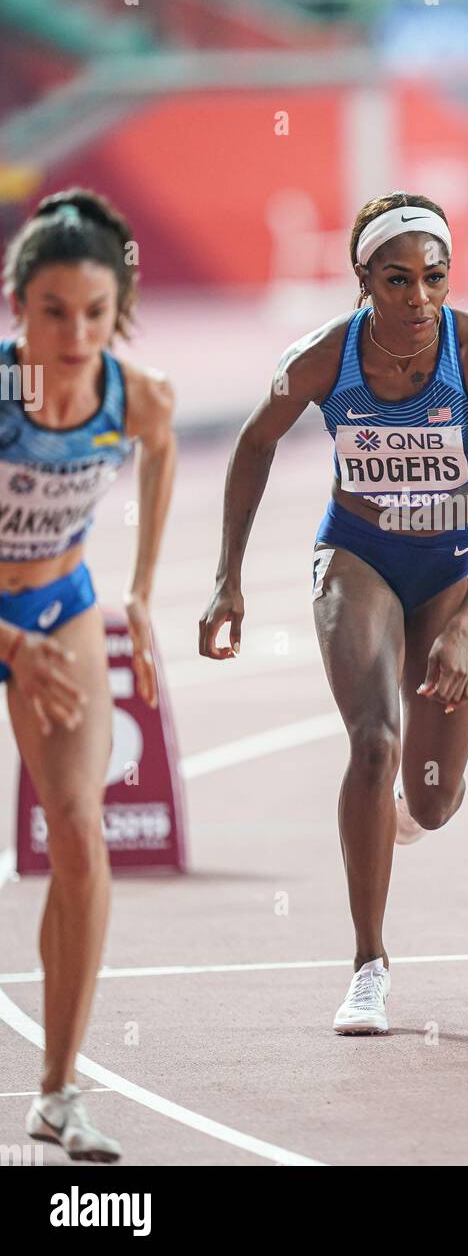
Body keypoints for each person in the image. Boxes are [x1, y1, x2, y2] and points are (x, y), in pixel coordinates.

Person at [199, 191, 468, 1033]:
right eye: (398, 280)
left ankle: (412, 813)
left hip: (453, 567)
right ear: (363, 281)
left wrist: (462, 626)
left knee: (435, 797)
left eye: (435, 278)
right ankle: (368, 964)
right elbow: (252, 442)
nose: (419, 299)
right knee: (375, 739)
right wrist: (227, 578)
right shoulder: (323, 358)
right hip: (361, 554)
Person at [1, 188, 176, 1159]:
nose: (73, 334)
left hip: (56, 604)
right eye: (53, 311)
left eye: (95, 314)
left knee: (79, 833)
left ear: (118, 315)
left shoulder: (134, 394)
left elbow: (160, 453)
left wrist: (143, 591)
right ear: (18, 305)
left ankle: (60, 1091)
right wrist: (11, 649)